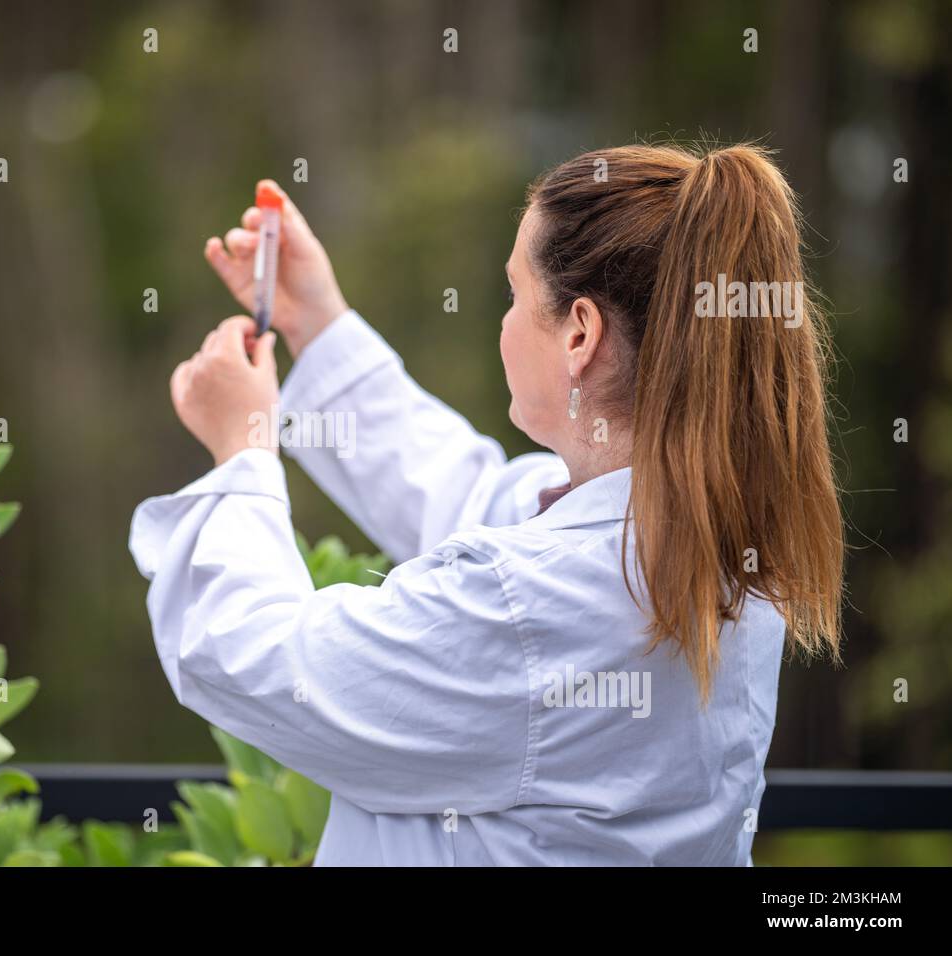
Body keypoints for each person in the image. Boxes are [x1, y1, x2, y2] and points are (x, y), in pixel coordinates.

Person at [128, 144, 844, 866]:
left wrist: (242, 451)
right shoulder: (723, 538)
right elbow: (469, 496)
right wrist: (317, 324)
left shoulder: (530, 603)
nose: (503, 324)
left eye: (514, 295)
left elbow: (251, 655)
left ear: (579, 333)